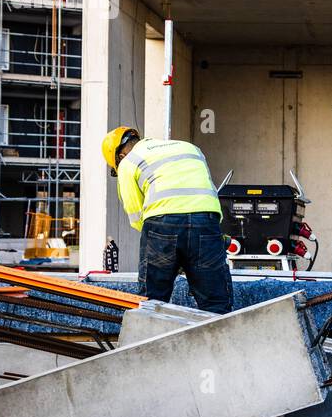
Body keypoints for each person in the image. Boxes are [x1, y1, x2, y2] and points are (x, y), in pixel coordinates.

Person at [100, 126, 233, 313]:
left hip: (161, 226)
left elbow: (137, 215)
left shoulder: (129, 162)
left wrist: (167, 250)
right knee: (215, 302)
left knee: (152, 301)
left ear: (120, 157)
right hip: (206, 221)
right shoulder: (190, 148)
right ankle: (220, 341)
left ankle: (150, 341)